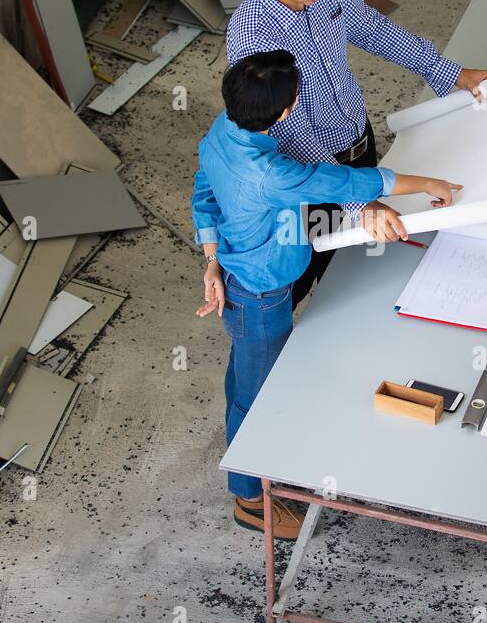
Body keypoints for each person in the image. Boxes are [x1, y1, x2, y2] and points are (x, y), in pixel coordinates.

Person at [192, 50, 462, 540]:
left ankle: (251, 473)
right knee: (256, 397)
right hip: (262, 295)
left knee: (242, 379)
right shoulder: (272, 173)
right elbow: (342, 180)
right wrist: (426, 183)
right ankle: (250, 499)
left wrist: (212, 257)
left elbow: (205, 190)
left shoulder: (222, 132)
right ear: (286, 110)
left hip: (237, 278)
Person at [224, 0, 487, 306]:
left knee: (350, 265)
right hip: (311, 174)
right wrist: (357, 201)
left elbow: (375, 29)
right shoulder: (253, 35)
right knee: (304, 266)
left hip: (357, 145)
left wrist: (452, 73)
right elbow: (292, 133)